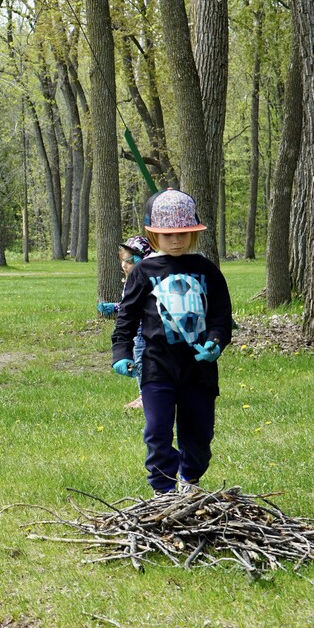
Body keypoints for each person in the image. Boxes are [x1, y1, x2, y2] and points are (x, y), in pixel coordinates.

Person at [111, 189, 232, 495]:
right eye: (168, 235)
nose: (176, 241)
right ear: (153, 235)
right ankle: (163, 491)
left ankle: (190, 481)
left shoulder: (207, 270)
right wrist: (121, 353)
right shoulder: (144, 272)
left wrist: (216, 342)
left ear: (193, 233)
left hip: (199, 372)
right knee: (157, 430)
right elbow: (127, 318)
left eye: (182, 233)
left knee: (199, 435)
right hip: (157, 367)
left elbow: (221, 316)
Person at [97, 235, 152, 409]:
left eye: (129, 261)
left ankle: (148, 397)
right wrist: (113, 307)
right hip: (135, 332)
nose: (124, 265)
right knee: (137, 363)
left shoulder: (145, 280)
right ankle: (143, 394)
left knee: (143, 363)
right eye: (123, 261)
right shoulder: (130, 281)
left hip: (144, 331)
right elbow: (127, 306)